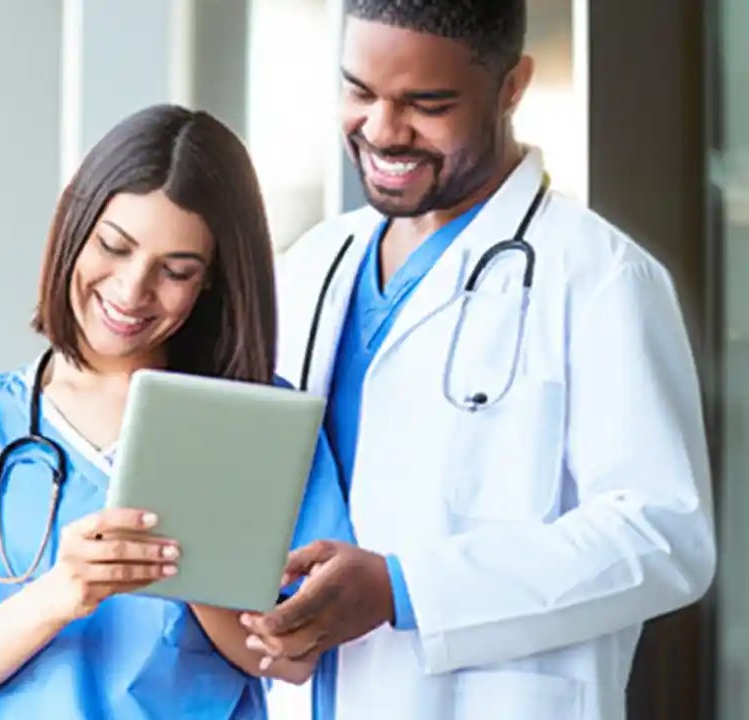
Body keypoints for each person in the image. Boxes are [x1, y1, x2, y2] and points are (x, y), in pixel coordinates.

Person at [239, 1, 718, 719]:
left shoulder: (599, 277)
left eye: (426, 104)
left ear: (514, 85)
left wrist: (402, 590)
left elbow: (662, 536)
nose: (382, 130)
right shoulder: (311, 266)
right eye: (360, 92)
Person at [0, 104, 354, 719]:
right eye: (113, 247)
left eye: (176, 271)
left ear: (213, 283)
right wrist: (63, 592)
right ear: (75, 227)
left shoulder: (261, 428)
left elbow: (284, 657)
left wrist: (192, 558)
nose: (131, 290)